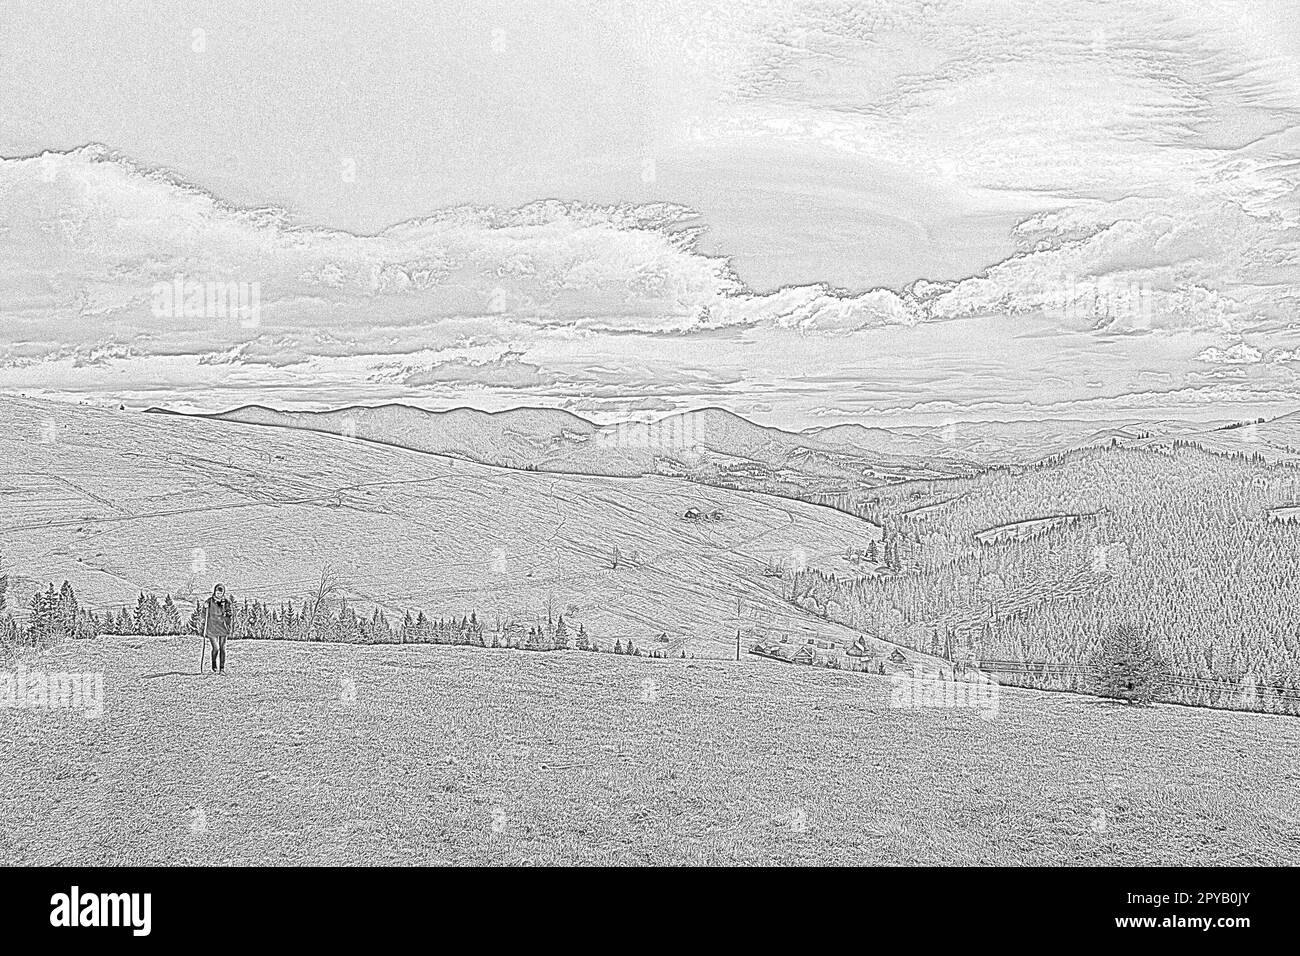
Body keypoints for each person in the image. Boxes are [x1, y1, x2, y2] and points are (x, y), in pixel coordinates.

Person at [202, 584, 235, 673]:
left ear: (223, 593)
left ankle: (222, 668)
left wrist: (227, 614)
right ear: (214, 592)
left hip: (223, 627)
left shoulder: (226, 602)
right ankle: (214, 664)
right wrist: (205, 609)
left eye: (221, 593)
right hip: (212, 627)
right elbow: (203, 615)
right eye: (217, 593)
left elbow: (230, 613)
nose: (219, 594)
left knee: (222, 648)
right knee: (216, 648)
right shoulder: (209, 601)